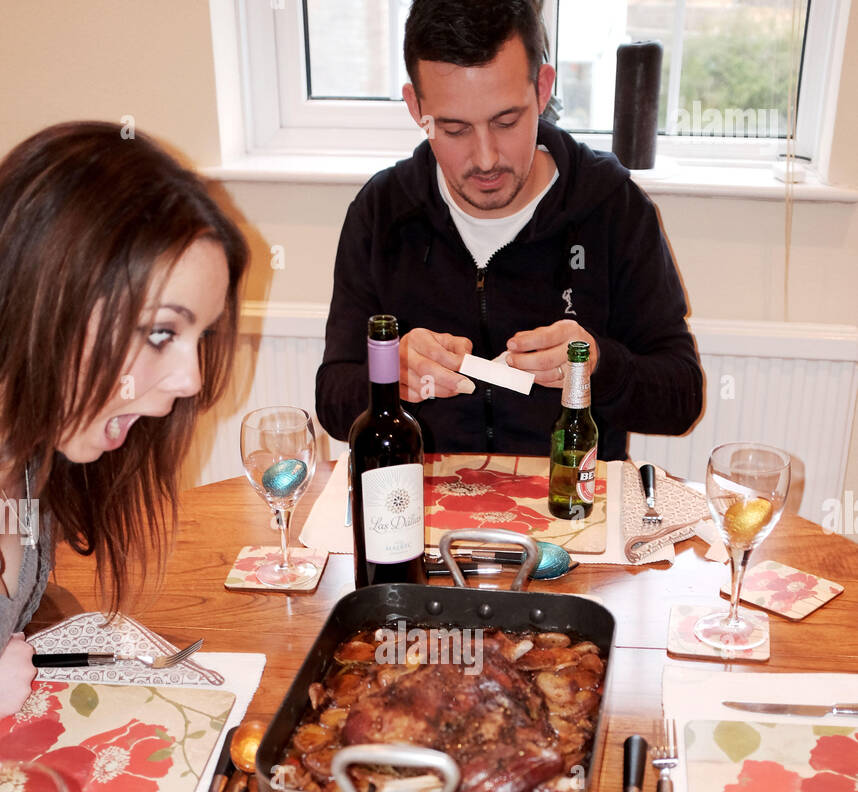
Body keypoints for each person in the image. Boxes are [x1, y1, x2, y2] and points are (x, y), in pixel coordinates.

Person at [316, 0, 703, 461]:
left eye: (506, 121)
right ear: (416, 107)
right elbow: (332, 399)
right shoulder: (382, 212)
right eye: (455, 129)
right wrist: (388, 375)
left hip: (569, 507)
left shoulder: (613, 207)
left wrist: (598, 366)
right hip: (417, 507)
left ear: (542, 89)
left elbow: (682, 397)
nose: (485, 159)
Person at [0, 121, 248, 717]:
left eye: (200, 335)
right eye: (162, 331)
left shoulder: (35, 455)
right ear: (48, 299)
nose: (190, 380)